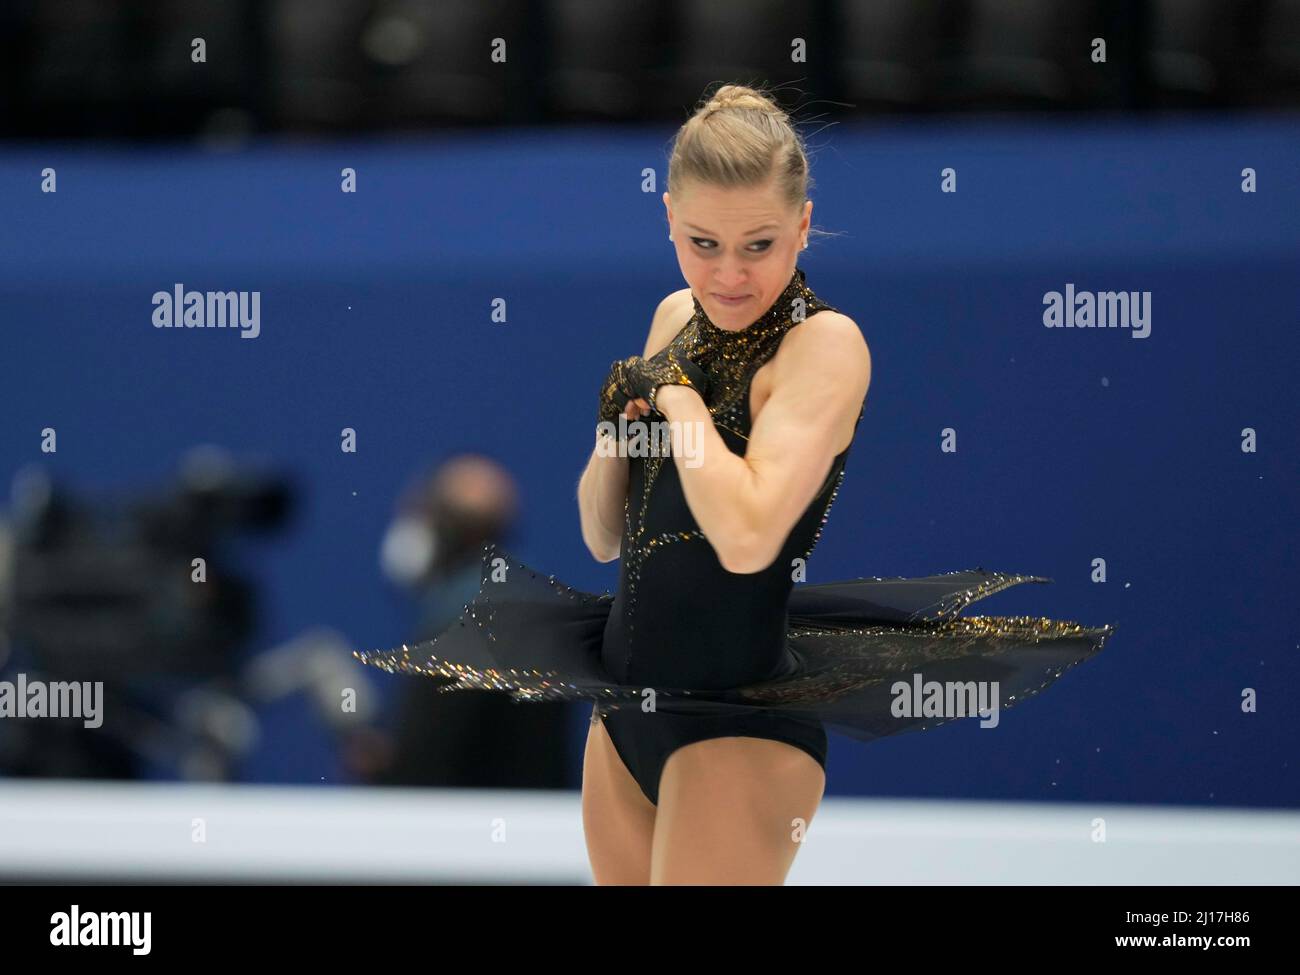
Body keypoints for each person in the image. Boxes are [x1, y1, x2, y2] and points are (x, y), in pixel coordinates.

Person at [355, 84, 1114, 885]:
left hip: (738, 719)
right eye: (702, 242)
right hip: (625, 712)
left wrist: (676, 396)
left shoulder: (823, 346)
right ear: (669, 222)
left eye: (758, 245)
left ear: (804, 227)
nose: (728, 276)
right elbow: (602, 533)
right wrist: (614, 429)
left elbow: (749, 535)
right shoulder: (670, 317)